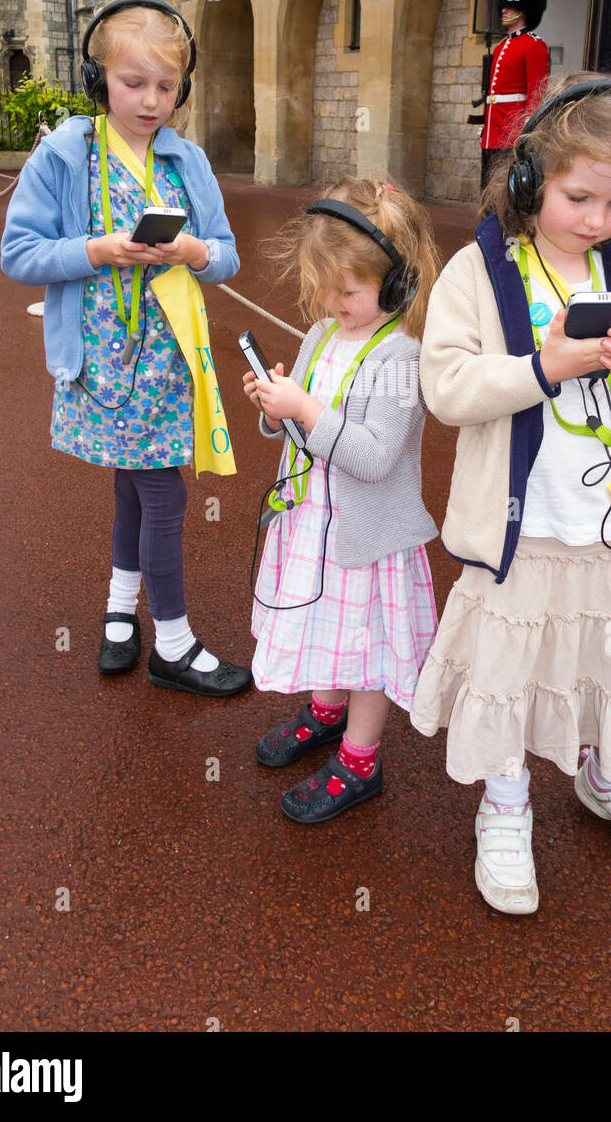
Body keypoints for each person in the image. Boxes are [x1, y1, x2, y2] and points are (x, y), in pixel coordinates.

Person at [412, 73, 611, 913]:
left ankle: (608, 779)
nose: (596, 221)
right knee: (509, 667)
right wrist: (543, 367)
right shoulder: (478, 270)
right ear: (527, 176)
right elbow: (449, 390)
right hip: (522, 532)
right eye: (579, 196)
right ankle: (504, 805)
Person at [1, 0, 251, 697]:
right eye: (133, 82)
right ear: (97, 80)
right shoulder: (64, 152)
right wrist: (97, 249)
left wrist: (195, 250)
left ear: (184, 90)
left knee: (142, 484)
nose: (151, 101)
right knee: (157, 489)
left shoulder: (188, 158)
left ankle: (119, 611)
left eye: (166, 87)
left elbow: (226, 257)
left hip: (170, 359)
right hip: (100, 359)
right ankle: (170, 643)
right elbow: (18, 255)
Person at [242, 178, 441, 823]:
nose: (330, 303)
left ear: (395, 285)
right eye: (322, 288)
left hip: (364, 541)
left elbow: (374, 457)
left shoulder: (399, 358)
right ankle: (326, 714)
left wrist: (304, 408)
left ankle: (361, 758)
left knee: (367, 646)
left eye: (346, 291)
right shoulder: (321, 338)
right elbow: (300, 426)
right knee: (326, 629)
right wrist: (277, 409)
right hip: (312, 523)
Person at [479, 0, 550, 192]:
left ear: (524, 7)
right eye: (504, 4)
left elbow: (536, 95)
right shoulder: (501, 47)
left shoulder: (534, 45)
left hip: (511, 135)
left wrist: (526, 135)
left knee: (506, 190)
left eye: (510, 5)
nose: (504, 10)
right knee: (488, 188)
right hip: (492, 132)